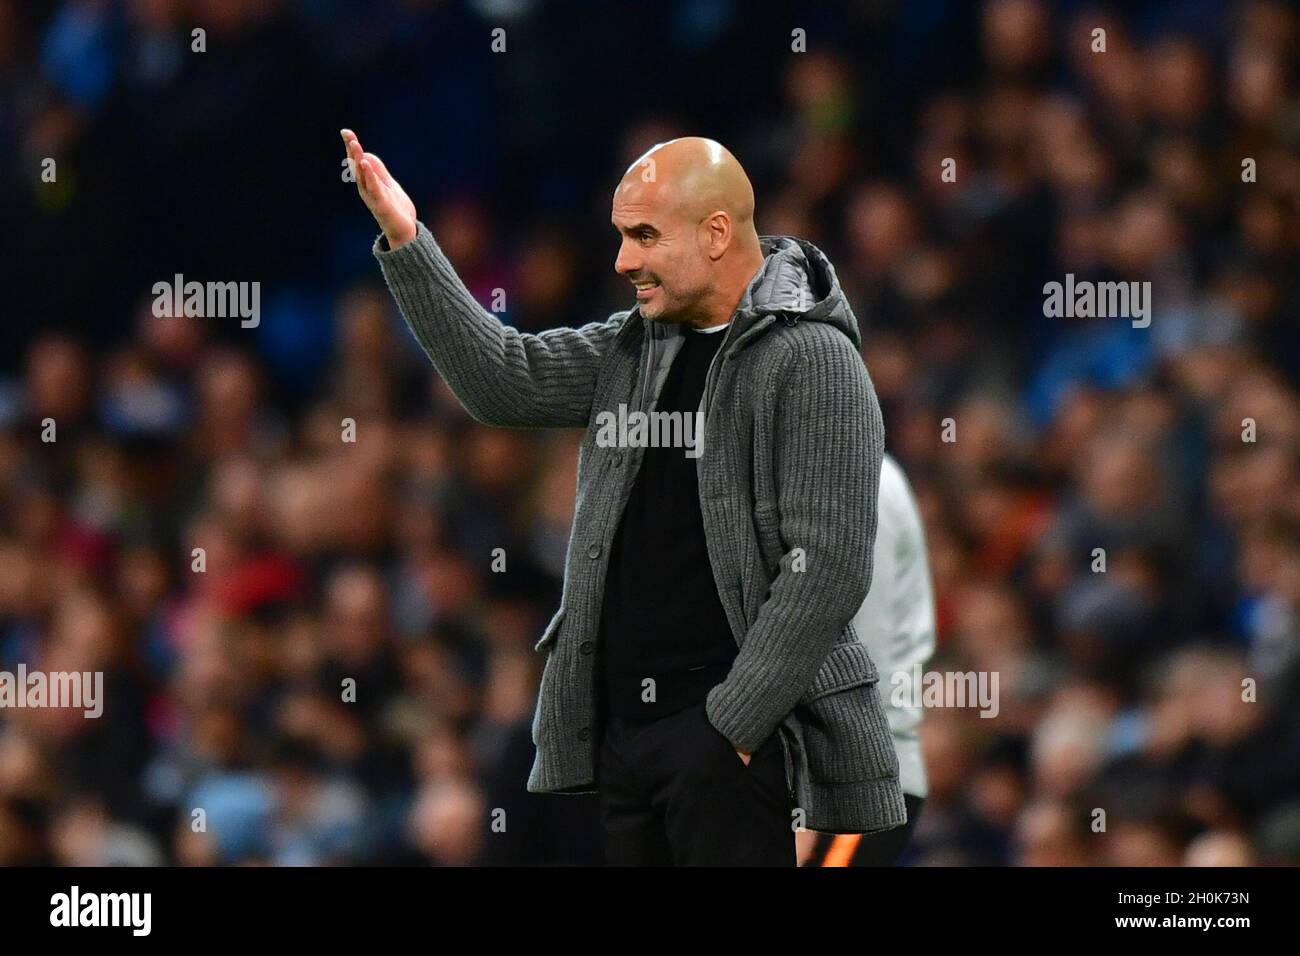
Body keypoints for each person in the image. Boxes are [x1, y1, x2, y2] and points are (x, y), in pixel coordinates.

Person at [343, 129, 905, 866]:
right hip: (626, 741)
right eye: (620, 235)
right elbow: (502, 379)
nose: (622, 260)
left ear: (715, 234)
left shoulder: (815, 360)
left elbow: (825, 567)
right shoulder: (637, 346)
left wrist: (731, 726)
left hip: (736, 744)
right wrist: (409, 239)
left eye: (644, 235)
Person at [799, 453, 935, 866]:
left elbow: (858, 661)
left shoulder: (858, 478)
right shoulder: (797, 467)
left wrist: (805, 815)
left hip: (853, 790)